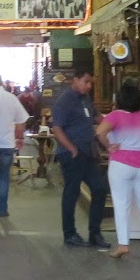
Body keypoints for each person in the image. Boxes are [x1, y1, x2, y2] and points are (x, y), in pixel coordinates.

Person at [97, 83, 140, 258]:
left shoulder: (115, 116)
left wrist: (109, 146)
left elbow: (99, 132)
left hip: (121, 164)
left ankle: (123, 245)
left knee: (121, 205)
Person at [53, 67, 109, 249]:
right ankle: (69, 234)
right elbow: (57, 128)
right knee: (72, 192)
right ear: (75, 80)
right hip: (72, 155)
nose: (89, 86)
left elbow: (97, 117)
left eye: (90, 82)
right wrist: (71, 148)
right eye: (86, 82)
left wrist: (115, 121)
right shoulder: (65, 101)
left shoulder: (86, 99)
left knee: (100, 189)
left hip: (88, 153)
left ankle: (95, 233)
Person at [0, 72, 29, 218]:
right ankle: (2, 209)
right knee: (3, 177)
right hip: (6, 144)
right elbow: (21, 121)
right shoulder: (11, 98)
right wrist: (19, 137)